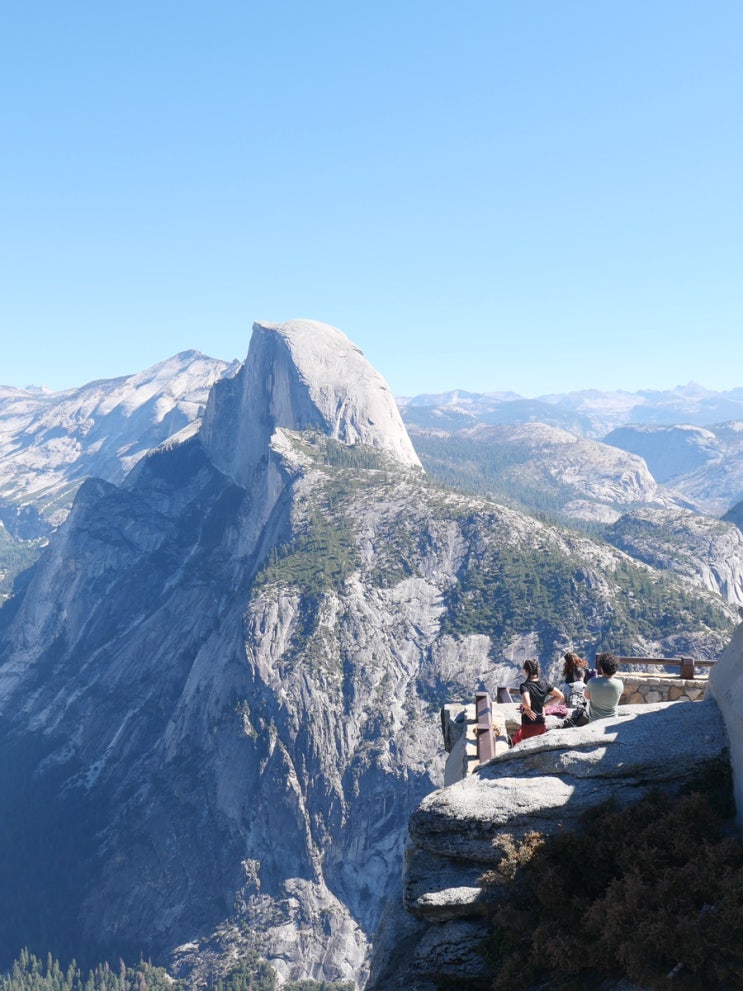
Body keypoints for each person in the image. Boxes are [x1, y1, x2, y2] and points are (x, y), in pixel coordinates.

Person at [512, 659, 564, 745]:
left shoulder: (525, 686)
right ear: (538, 670)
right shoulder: (545, 684)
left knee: (525, 746)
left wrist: (527, 709)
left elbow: (527, 703)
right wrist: (545, 704)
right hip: (542, 723)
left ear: (526, 671)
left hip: (529, 724)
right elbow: (560, 695)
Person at [584, 652, 624, 721]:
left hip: (594, 720)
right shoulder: (619, 684)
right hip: (613, 720)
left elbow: (587, 696)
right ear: (615, 669)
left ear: (602, 669)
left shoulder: (592, 682)